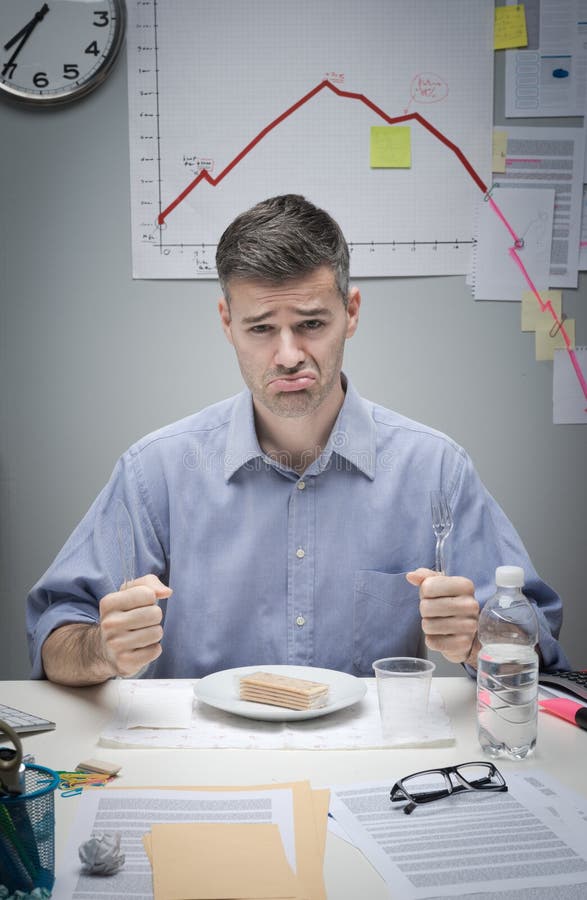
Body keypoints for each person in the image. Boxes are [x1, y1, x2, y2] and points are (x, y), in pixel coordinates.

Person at [27, 194, 570, 685]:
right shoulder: (156, 471)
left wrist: (479, 641)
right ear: (227, 322)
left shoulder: (436, 471)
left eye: (311, 324)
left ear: (350, 312)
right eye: (261, 328)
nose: (288, 355)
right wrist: (102, 647)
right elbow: (54, 638)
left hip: (378, 778)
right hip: (203, 770)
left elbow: (538, 644)